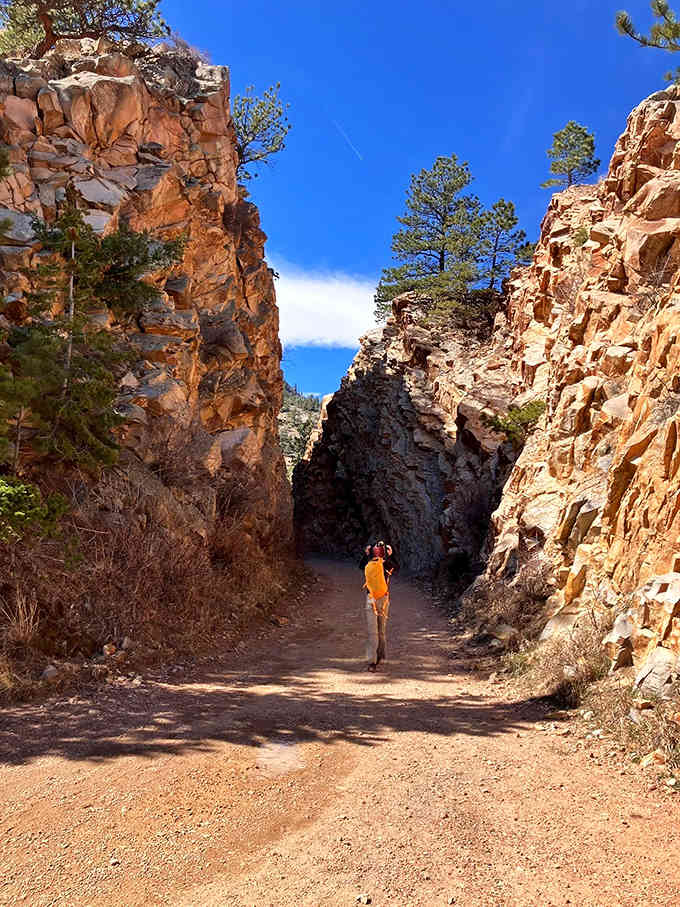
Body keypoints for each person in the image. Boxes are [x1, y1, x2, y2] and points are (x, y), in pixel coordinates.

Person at [361, 541, 398, 671]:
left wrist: (366, 554)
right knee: (379, 631)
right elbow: (396, 567)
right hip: (383, 600)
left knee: (375, 632)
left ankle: (375, 660)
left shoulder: (370, 564)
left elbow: (360, 566)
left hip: (371, 599)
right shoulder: (385, 564)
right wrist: (391, 555)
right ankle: (377, 658)